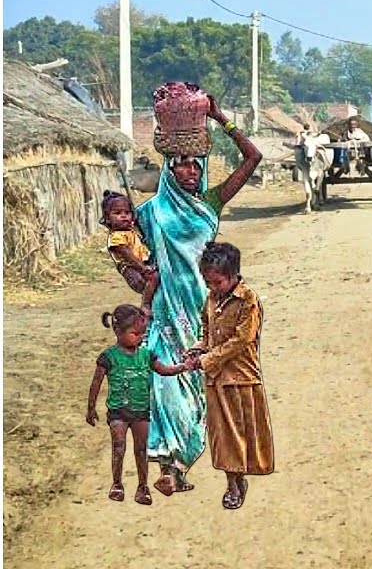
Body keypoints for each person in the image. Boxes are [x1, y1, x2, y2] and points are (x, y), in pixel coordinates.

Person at [134, 93, 261, 496]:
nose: (189, 170)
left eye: (195, 164)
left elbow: (253, 158)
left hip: (211, 311)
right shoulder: (150, 212)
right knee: (167, 387)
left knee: (213, 392)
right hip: (167, 312)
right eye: (181, 165)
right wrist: (136, 275)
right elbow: (136, 263)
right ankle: (171, 467)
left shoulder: (211, 201)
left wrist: (221, 118)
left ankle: (224, 472)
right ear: (169, 169)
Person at [182, 241, 273, 511]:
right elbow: (206, 330)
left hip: (241, 378)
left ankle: (240, 478)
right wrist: (197, 348)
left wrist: (206, 360)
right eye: (208, 283)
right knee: (223, 436)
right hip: (215, 380)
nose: (212, 288)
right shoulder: (211, 299)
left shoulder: (248, 300)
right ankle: (232, 482)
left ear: (233, 275)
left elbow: (241, 340)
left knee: (242, 433)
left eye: (217, 282)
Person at [86, 301, 188, 505]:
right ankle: (117, 484)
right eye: (135, 334)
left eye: (143, 334)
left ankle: (143, 487)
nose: (141, 338)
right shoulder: (108, 357)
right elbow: (96, 382)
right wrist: (91, 408)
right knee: (118, 447)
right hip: (118, 411)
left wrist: (184, 367)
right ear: (117, 331)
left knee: (141, 450)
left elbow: (164, 370)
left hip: (141, 410)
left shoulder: (146, 355)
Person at [100, 190, 159, 298]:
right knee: (151, 280)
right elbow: (127, 255)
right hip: (130, 267)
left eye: (127, 213)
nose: (123, 216)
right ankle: (146, 304)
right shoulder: (116, 237)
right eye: (118, 213)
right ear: (108, 219)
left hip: (142, 263)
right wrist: (143, 268)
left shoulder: (131, 230)